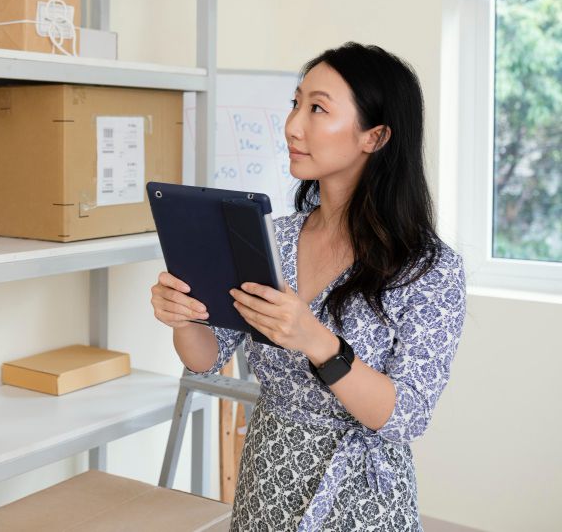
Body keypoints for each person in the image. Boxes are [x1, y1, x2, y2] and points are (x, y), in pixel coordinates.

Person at [151, 42, 467, 532]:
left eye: (317, 108)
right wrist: (183, 315)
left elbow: (404, 416)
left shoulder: (428, 269)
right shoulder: (271, 238)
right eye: (296, 104)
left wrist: (316, 340)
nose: (293, 126)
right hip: (267, 478)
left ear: (376, 136)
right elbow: (206, 358)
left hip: (362, 499)